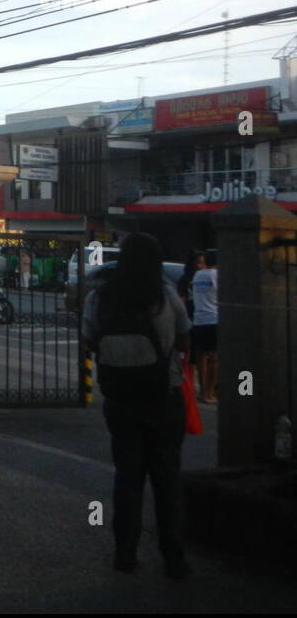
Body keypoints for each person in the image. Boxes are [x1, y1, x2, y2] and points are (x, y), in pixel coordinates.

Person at [82, 232, 191, 579]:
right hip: (163, 396)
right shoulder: (166, 296)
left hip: (120, 399)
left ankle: (125, 554)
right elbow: (186, 335)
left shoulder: (100, 298)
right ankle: (174, 558)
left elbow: (88, 340)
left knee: (128, 478)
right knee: (167, 480)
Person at [191, 249, 219, 403]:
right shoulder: (217, 275)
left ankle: (202, 391)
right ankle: (209, 393)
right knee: (214, 357)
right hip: (214, 319)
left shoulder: (198, 275)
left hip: (198, 320)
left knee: (200, 357)